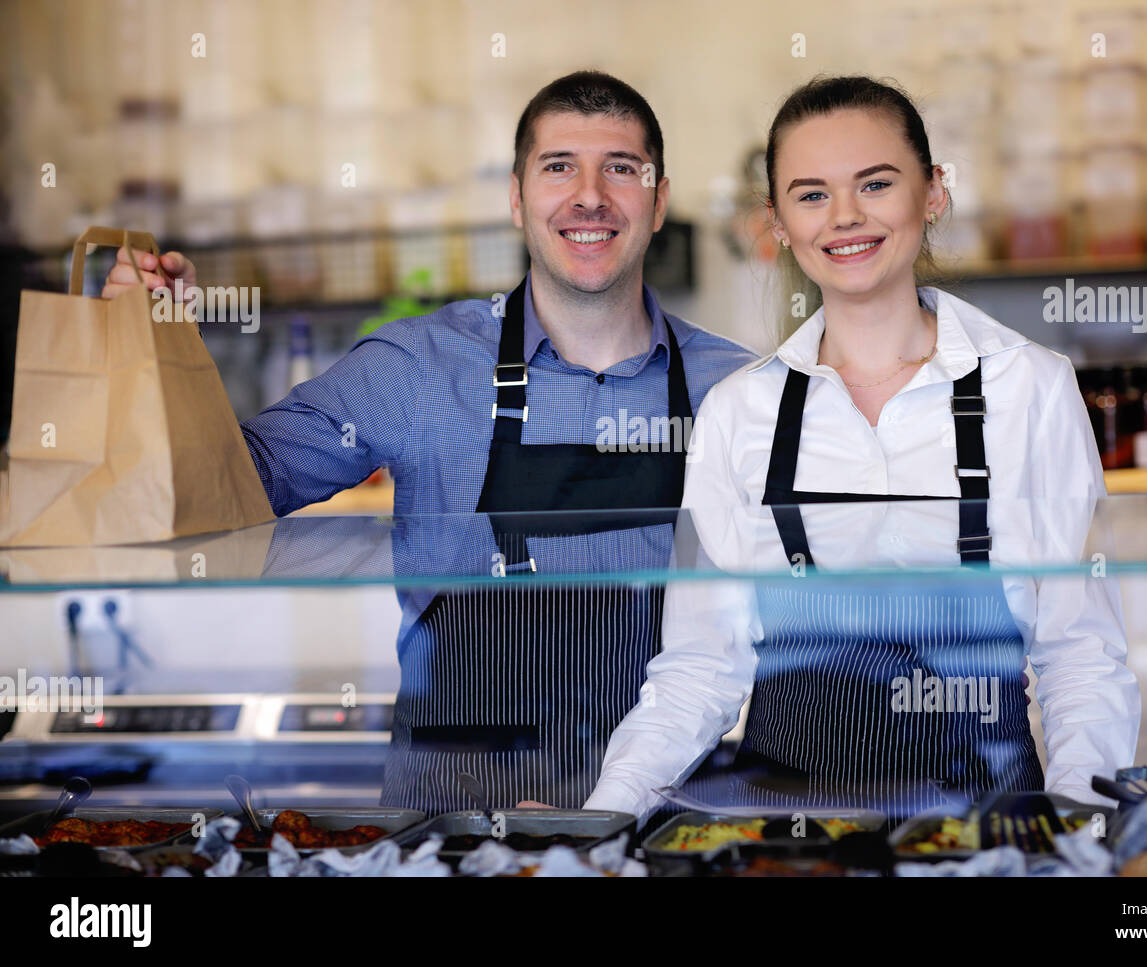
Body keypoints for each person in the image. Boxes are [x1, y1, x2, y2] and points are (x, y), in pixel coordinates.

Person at [99, 71, 756, 811]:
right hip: (449, 821)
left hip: (662, 820)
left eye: (622, 169)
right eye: (558, 166)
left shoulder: (737, 390)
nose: (590, 196)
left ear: (659, 199)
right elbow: (222, 494)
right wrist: (153, 346)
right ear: (516, 198)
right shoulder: (419, 367)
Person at [584, 75, 1141, 822]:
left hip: (984, 835)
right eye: (811, 194)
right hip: (785, 844)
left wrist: (1079, 827)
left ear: (933, 192)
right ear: (777, 222)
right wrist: (603, 817)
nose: (844, 217)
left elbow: (1080, 657)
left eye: (875, 184)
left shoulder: (1030, 389)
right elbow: (700, 670)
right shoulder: (738, 414)